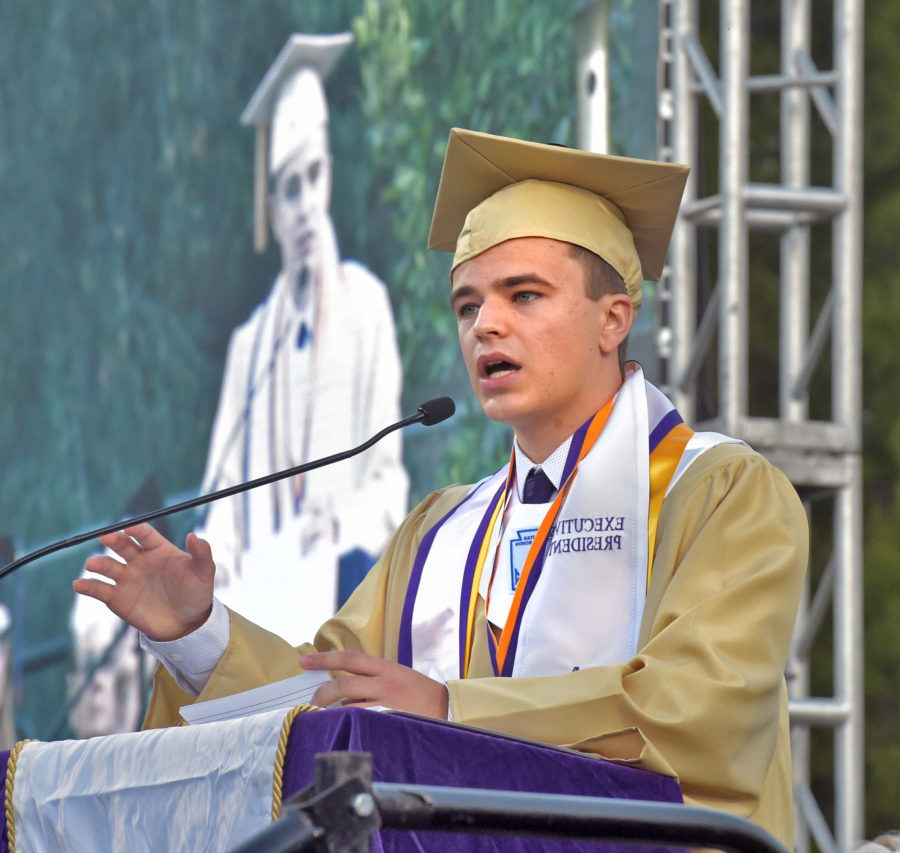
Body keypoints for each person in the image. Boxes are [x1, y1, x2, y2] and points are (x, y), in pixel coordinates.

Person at [74, 128, 808, 848]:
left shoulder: (718, 493)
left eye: (524, 295)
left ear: (613, 319)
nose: (486, 325)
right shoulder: (441, 531)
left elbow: (702, 708)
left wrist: (449, 707)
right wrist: (199, 634)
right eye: (467, 305)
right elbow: (329, 694)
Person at [196, 34, 408, 644]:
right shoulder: (249, 348)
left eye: (315, 178)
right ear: (272, 208)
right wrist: (219, 555)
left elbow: (389, 483)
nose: (307, 204)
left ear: (331, 178)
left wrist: (340, 522)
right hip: (264, 616)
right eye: (290, 188)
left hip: (347, 603)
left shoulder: (365, 305)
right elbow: (222, 509)